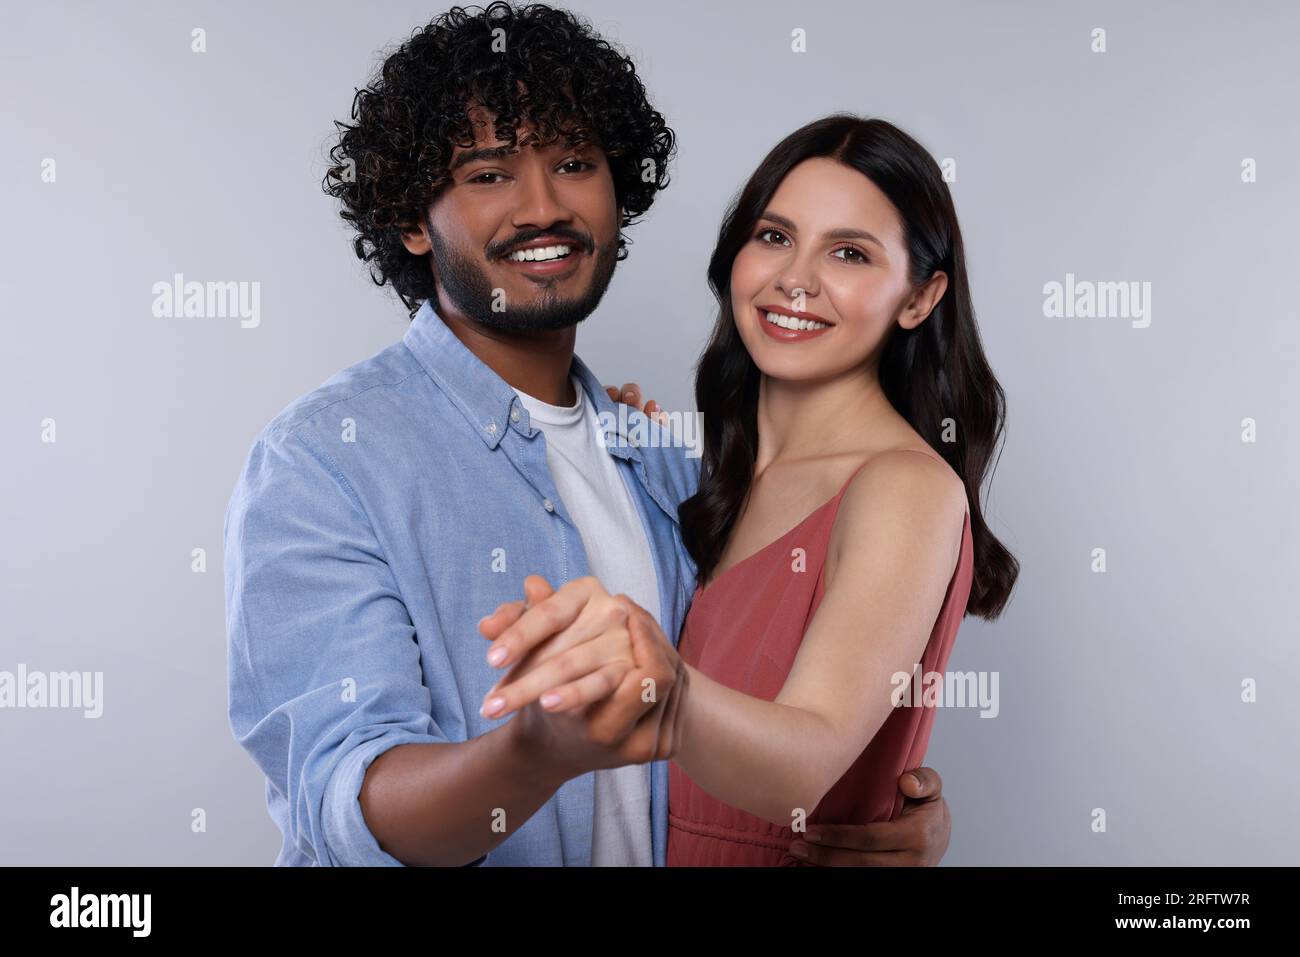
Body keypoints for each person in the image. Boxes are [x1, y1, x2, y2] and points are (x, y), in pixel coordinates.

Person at [224, 2, 951, 866]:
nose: (543, 207)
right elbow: (349, 805)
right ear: (412, 218)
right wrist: (534, 750)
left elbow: (769, 722)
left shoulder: (670, 465)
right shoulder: (324, 460)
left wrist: (878, 808)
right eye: (489, 173)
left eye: (573, 162)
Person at [477, 114, 1019, 865]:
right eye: (773, 236)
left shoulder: (905, 487)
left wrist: (663, 689)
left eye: (850, 253)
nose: (795, 278)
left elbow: (805, 763)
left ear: (919, 298)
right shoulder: (700, 470)